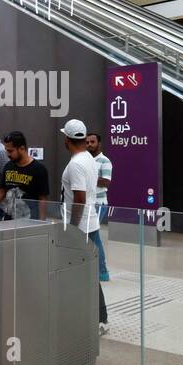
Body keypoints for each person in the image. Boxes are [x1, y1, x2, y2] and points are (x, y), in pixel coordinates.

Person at [59, 119, 107, 333]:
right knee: (86, 274)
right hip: (90, 223)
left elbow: (79, 198)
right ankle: (95, 318)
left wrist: (72, 229)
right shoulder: (88, 157)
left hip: (81, 227)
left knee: (83, 275)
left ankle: (96, 320)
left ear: (67, 139)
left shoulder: (77, 163)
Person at [0, 131, 49, 220]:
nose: (8, 154)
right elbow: (2, 191)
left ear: (22, 148)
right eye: (6, 151)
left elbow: (42, 199)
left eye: (10, 151)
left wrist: (42, 223)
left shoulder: (39, 169)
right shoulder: (8, 166)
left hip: (29, 220)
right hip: (10, 220)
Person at [85, 131, 112, 282]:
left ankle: (102, 272)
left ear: (99, 144)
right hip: (87, 203)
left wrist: (88, 174)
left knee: (94, 237)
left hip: (98, 204)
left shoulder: (105, 161)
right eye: (87, 142)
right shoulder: (85, 160)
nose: (89, 145)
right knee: (91, 237)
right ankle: (94, 269)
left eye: (92, 142)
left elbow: (106, 182)